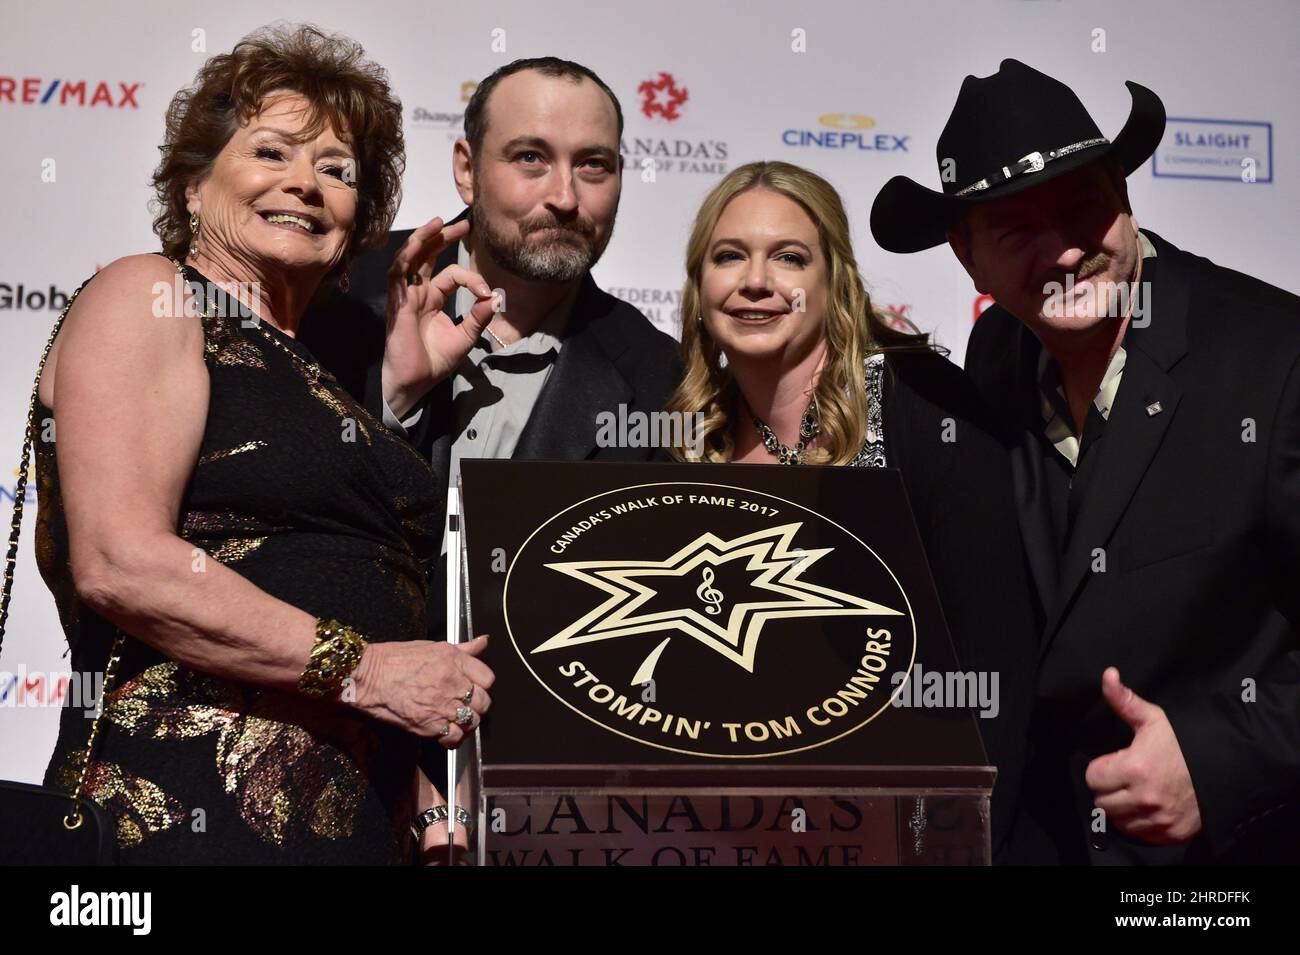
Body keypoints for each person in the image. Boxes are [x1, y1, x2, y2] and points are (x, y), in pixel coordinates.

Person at [34, 24, 492, 865]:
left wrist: (393, 397)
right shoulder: (152, 295)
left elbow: (322, 546)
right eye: (272, 151)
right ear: (195, 182)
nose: (305, 184)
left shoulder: (312, 360)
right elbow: (122, 560)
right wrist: (371, 672)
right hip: (179, 816)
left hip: (350, 826)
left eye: (336, 170)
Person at [871, 58, 1300, 863]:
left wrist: (1218, 759)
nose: (1064, 252)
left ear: (1127, 203)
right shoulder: (997, 351)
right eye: (1018, 230)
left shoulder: (1274, 360)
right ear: (970, 262)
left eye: (1082, 209)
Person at [663, 160, 1039, 860]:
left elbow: (996, 670)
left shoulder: (925, 408)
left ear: (833, 279)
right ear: (698, 285)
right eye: (728, 256)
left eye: (789, 257)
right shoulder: (682, 444)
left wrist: (951, 845)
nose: (755, 280)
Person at [301, 58, 681, 631]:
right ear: (467, 168)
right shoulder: (332, 290)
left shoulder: (662, 374)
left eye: (593, 165)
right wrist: (392, 401)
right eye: (530, 157)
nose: (565, 196)